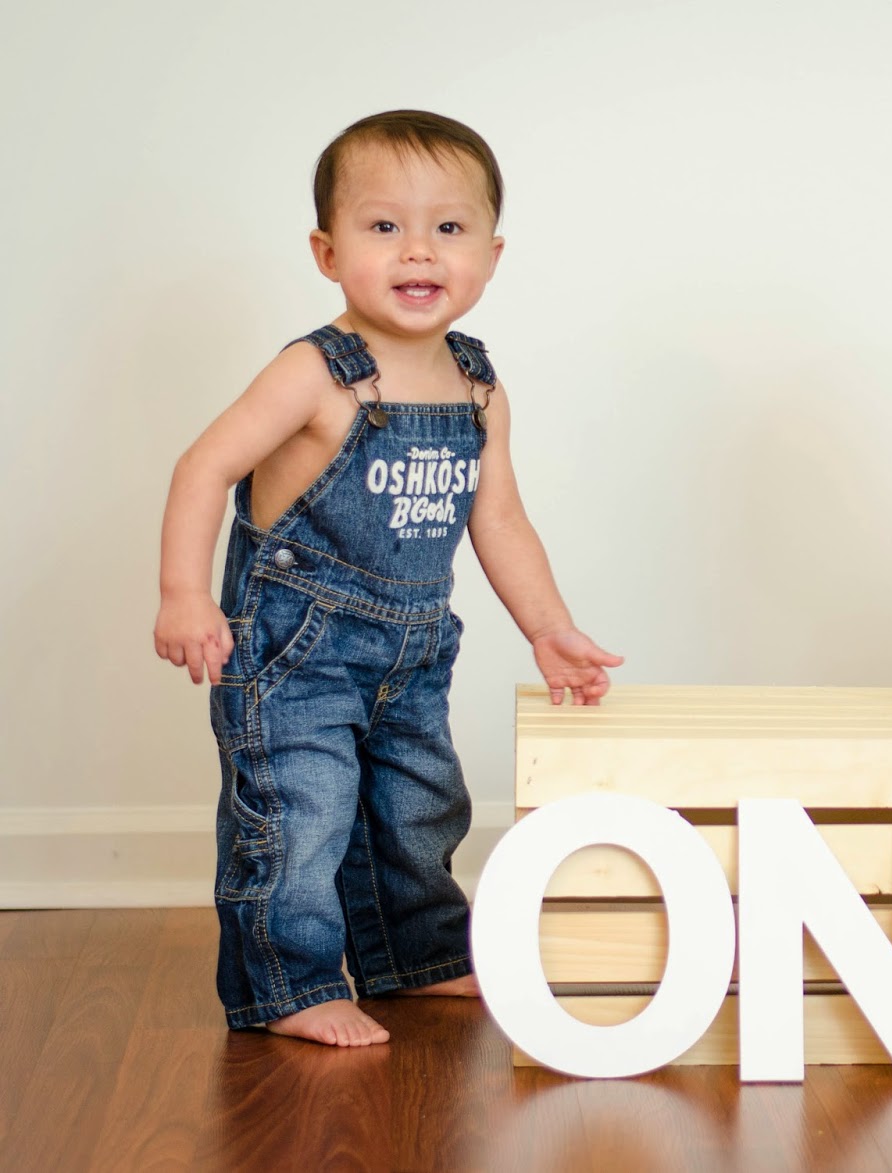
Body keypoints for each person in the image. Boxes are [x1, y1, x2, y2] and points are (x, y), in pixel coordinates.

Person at [153, 110, 622, 1047]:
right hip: (295, 651)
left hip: (412, 647)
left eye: (448, 228)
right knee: (301, 813)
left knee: (419, 805)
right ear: (328, 251)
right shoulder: (315, 373)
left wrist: (549, 625)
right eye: (383, 227)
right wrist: (184, 592)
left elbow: (499, 520)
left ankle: (417, 957)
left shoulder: (479, 385)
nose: (419, 250)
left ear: (492, 253)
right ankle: (291, 983)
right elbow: (204, 466)